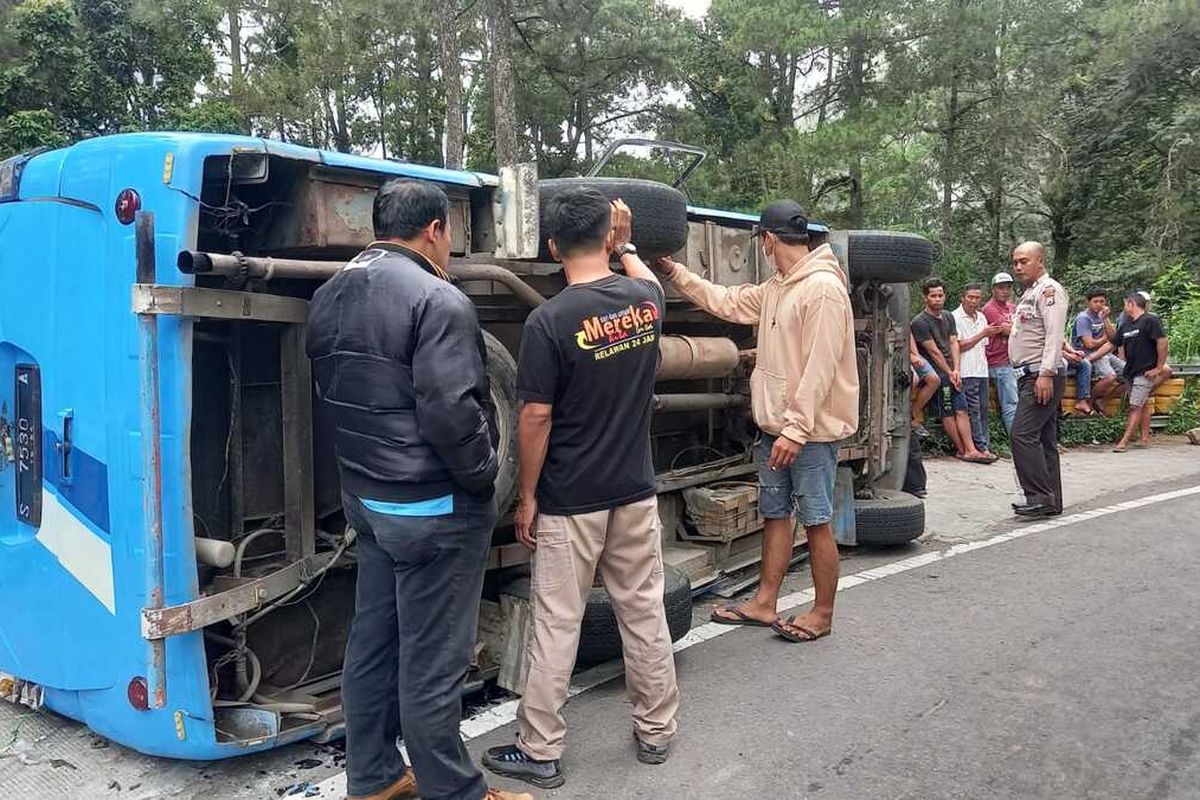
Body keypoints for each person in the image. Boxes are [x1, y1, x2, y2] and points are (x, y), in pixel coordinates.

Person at [306, 180, 530, 800]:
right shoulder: (440, 300)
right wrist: (484, 474)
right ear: (434, 230)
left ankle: (374, 776)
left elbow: (329, 397)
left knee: (373, 644)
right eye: (450, 234)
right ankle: (454, 791)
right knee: (432, 664)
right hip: (434, 511)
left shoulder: (329, 295)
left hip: (370, 506)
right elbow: (452, 414)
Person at [482, 192, 679, 788]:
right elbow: (653, 285)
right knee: (643, 610)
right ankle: (657, 731)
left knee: (557, 623)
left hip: (572, 501)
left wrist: (527, 496)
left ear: (551, 248)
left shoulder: (550, 320)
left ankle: (541, 749)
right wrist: (628, 249)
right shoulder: (645, 301)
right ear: (608, 239)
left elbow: (534, 419)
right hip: (634, 490)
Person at [647, 199, 858, 644]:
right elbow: (728, 302)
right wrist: (674, 274)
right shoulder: (781, 286)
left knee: (816, 520)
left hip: (809, 434)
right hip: (775, 428)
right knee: (776, 514)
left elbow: (820, 367)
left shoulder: (821, 289)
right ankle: (765, 602)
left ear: (767, 240)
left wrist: (797, 430)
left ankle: (822, 613)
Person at [1008, 241, 1068, 519]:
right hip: (1030, 374)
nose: (1018, 267)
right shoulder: (1030, 293)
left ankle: (1038, 496)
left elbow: (1054, 335)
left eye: (1024, 261)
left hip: (1040, 375)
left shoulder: (1049, 290)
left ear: (1040, 261)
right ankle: (1051, 499)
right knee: (1044, 439)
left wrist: (1046, 374)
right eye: (1015, 262)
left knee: (1021, 434)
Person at [912, 278, 993, 463]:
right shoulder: (920, 322)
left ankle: (971, 449)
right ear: (925, 298)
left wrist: (957, 369)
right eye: (933, 296)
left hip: (954, 372)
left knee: (962, 410)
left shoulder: (948, 316)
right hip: (939, 374)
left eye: (940, 295)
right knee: (948, 412)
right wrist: (949, 372)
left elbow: (953, 343)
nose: (938, 299)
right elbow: (933, 350)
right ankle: (961, 449)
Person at [1111, 291, 1173, 452]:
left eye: (1125, 304)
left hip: (1145, 372)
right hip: (1131, 370)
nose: (1124, 307)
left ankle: (1124, 441)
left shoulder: (1150, 320)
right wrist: (1104, 319)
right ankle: (1144, 438)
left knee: (1135, 406)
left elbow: (1162, 341)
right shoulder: (1126, 325)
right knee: (1142, 404)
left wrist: (1159, 367)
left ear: (1132, 304)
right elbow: (1114, 341)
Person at [951, 283, 1001, 460]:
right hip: (966, 370)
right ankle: (979, 447)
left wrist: (985, 334)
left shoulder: (981, 317)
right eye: (970, 297)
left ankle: (983, 444)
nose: (973, 301)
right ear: (962, 297)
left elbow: (983, 346)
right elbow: (958, 345)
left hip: (981, 370)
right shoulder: (955, 317)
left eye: (977, 298)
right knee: (972, 410)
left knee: (983, 409)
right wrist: (983, 334)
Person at [1071, 289, 1126, 415]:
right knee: (1110, 376)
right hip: (1087, 354)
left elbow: (1114, 338)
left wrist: (1105, 320)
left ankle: (1103, 402)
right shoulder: (1083, 318)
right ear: (1088, 302)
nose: (1099, 304)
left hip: (1105, 353)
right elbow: (1089, 344)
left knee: (1130, 376)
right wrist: (1105, 339)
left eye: (1102, 301)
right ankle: (1089, 403)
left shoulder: (1102, 317)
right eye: (1095, 301)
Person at [981, 272, 1019, 433]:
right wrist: (1021, 329)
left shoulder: (1012, 307)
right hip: (999, 363)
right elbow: (1007, 330)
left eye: (1008, 288)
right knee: (1011, 403)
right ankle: (1017, 441)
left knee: (1020, 402)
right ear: (993, 290)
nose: (1005, 291)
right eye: (1001, 288)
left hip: (1014, 360)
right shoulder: (989, 309)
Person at [910, 330, 940, 438]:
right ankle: (902, 414)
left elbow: (908, 333)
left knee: (934, 380)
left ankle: (912, 413)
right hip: (894, 350)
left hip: (909, 351)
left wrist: (916, 355)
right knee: (914, 379)